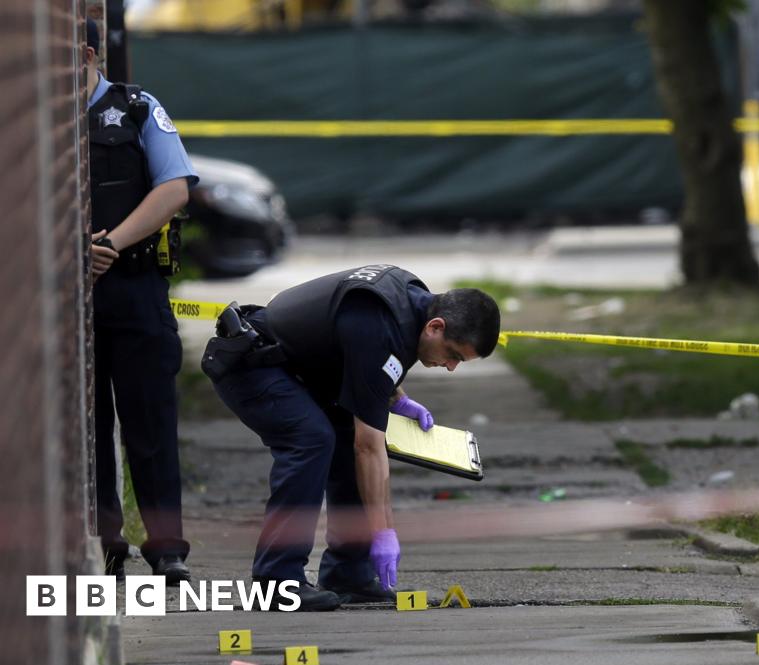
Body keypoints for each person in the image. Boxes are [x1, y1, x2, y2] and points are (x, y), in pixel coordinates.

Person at [205, 265, 500, 611]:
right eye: (453, 355)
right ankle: (276, 581)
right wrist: (383, 533)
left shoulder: (413, 302)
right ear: (436, 327)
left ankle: (349, 572)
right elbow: (370, 448)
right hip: (252, 363)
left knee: (344, 433)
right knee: (312, 439)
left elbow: (365, 361)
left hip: (293, 367)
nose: (451, 367)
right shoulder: (380, 322)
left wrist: (396, 398)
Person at [85, 18, 196, 583]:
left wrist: (108, 244)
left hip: (134, 288)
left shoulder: (135, 109)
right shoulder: (39, 122)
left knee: (150, 422)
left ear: (86, 54)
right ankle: (107, 544)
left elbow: (174, 187)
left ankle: (166, 548)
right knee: (89, 428)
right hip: (71, 299)